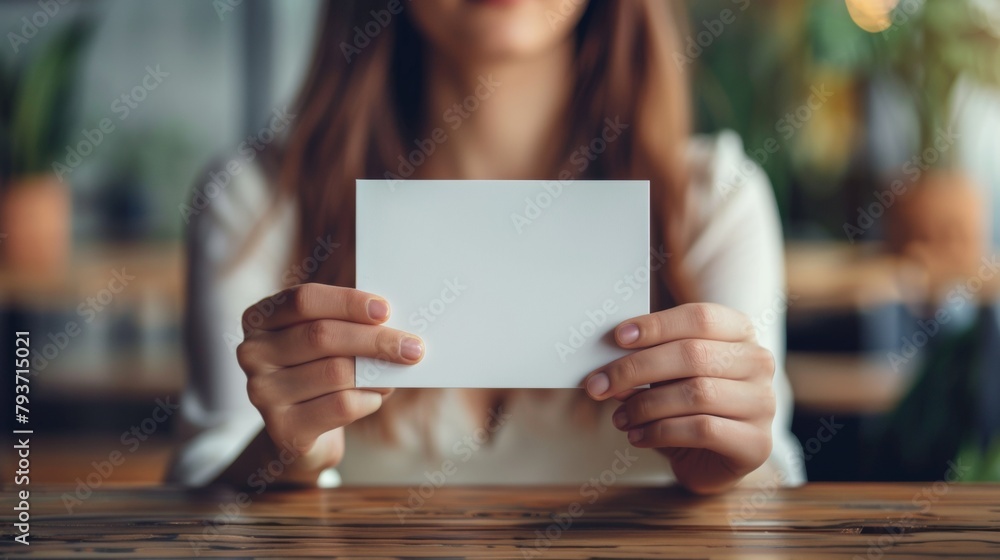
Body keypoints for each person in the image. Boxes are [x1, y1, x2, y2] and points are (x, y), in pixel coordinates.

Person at [167, 0, 804, 494]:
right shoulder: (256, 204)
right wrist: (283, 457)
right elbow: (198, 504)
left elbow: (769, 489)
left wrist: (734, 472)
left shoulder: (713, 202)